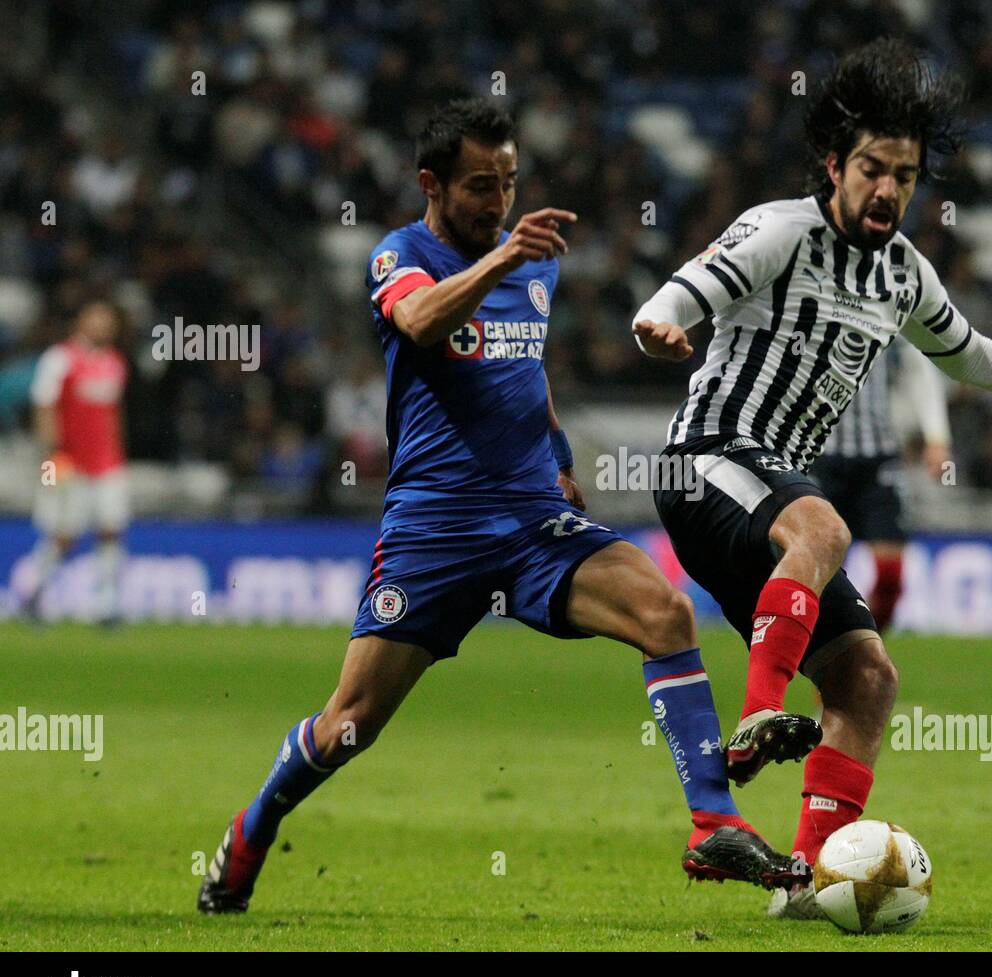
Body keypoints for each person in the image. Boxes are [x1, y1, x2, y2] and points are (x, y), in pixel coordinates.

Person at [198, 99, 805, 915]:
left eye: (509, 183)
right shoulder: (399, 254)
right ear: (431, 183)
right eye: (481, 185)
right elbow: (418, 321)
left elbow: (528, 369)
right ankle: (253, 827)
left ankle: (712, 823)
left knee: (664, 612)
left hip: (531, 519)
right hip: (435, 528)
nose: (499, 202)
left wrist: (558, 458)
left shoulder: (534, 263)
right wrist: (502, 258)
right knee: (350, 724)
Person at [631, 40, 992, 917]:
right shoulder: (780, 230)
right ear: (835, 166)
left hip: (770, 498)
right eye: (873, 169)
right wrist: (660, 324)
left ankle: (801, 889)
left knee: (869, 679)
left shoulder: (902, 271)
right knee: (826, 528)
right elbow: (680, 292)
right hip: (706, 462)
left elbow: (975, 358)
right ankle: (757, 719)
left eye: (905, 176)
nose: (888, 190)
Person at [811, 337, 951, 630]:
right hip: (818, 457)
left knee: (890, 576)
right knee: (817, 572)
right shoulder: (807, 302)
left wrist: (936, 436)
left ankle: (866, 650)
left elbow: (919, 365)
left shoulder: (889, 300)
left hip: (880, 459)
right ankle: (822, 650)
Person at [23, 300, 130, 625]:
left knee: (112, 528)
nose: (103, 326)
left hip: (109, 463)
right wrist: (51, 460)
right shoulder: (60, 358)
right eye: (96, 319)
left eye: (107, 321)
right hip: (69, 461)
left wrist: (120, 453)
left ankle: (107, 607)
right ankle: (34, 592)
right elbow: (43, 407)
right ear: (81, 322)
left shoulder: (114, 362)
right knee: (65, 533)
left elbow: (113, 416)